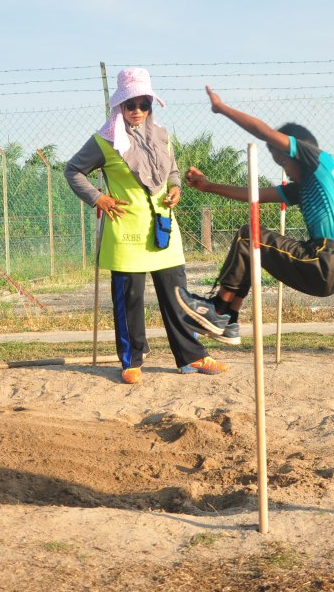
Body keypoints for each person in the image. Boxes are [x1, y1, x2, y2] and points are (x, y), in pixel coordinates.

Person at [65, 68, 227, 384]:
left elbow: (172, 172)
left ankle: (191, 358)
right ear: (119, 107)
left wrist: (176, 188)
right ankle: (131, 361)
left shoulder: (162, 135)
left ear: (151, 105)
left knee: (178, 295)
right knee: (130, 300)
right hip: (126, 234)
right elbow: (73, 171)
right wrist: (99, 198)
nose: (137, 111)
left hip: (164, 229)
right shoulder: (105, 141)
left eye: (144, 104)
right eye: (130, 104)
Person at [176, 87, 334, 343]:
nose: (286, 171)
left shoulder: (317, 160)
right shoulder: (305, 187)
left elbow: (264, 132)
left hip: (323, 259)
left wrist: (221, 108)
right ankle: (230, 321)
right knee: (251, 248)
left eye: (283, 163)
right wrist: (208, 186)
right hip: (331, 265)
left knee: (248, 237)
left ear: (296, 152)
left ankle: (218, 310)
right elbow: (254, 194)